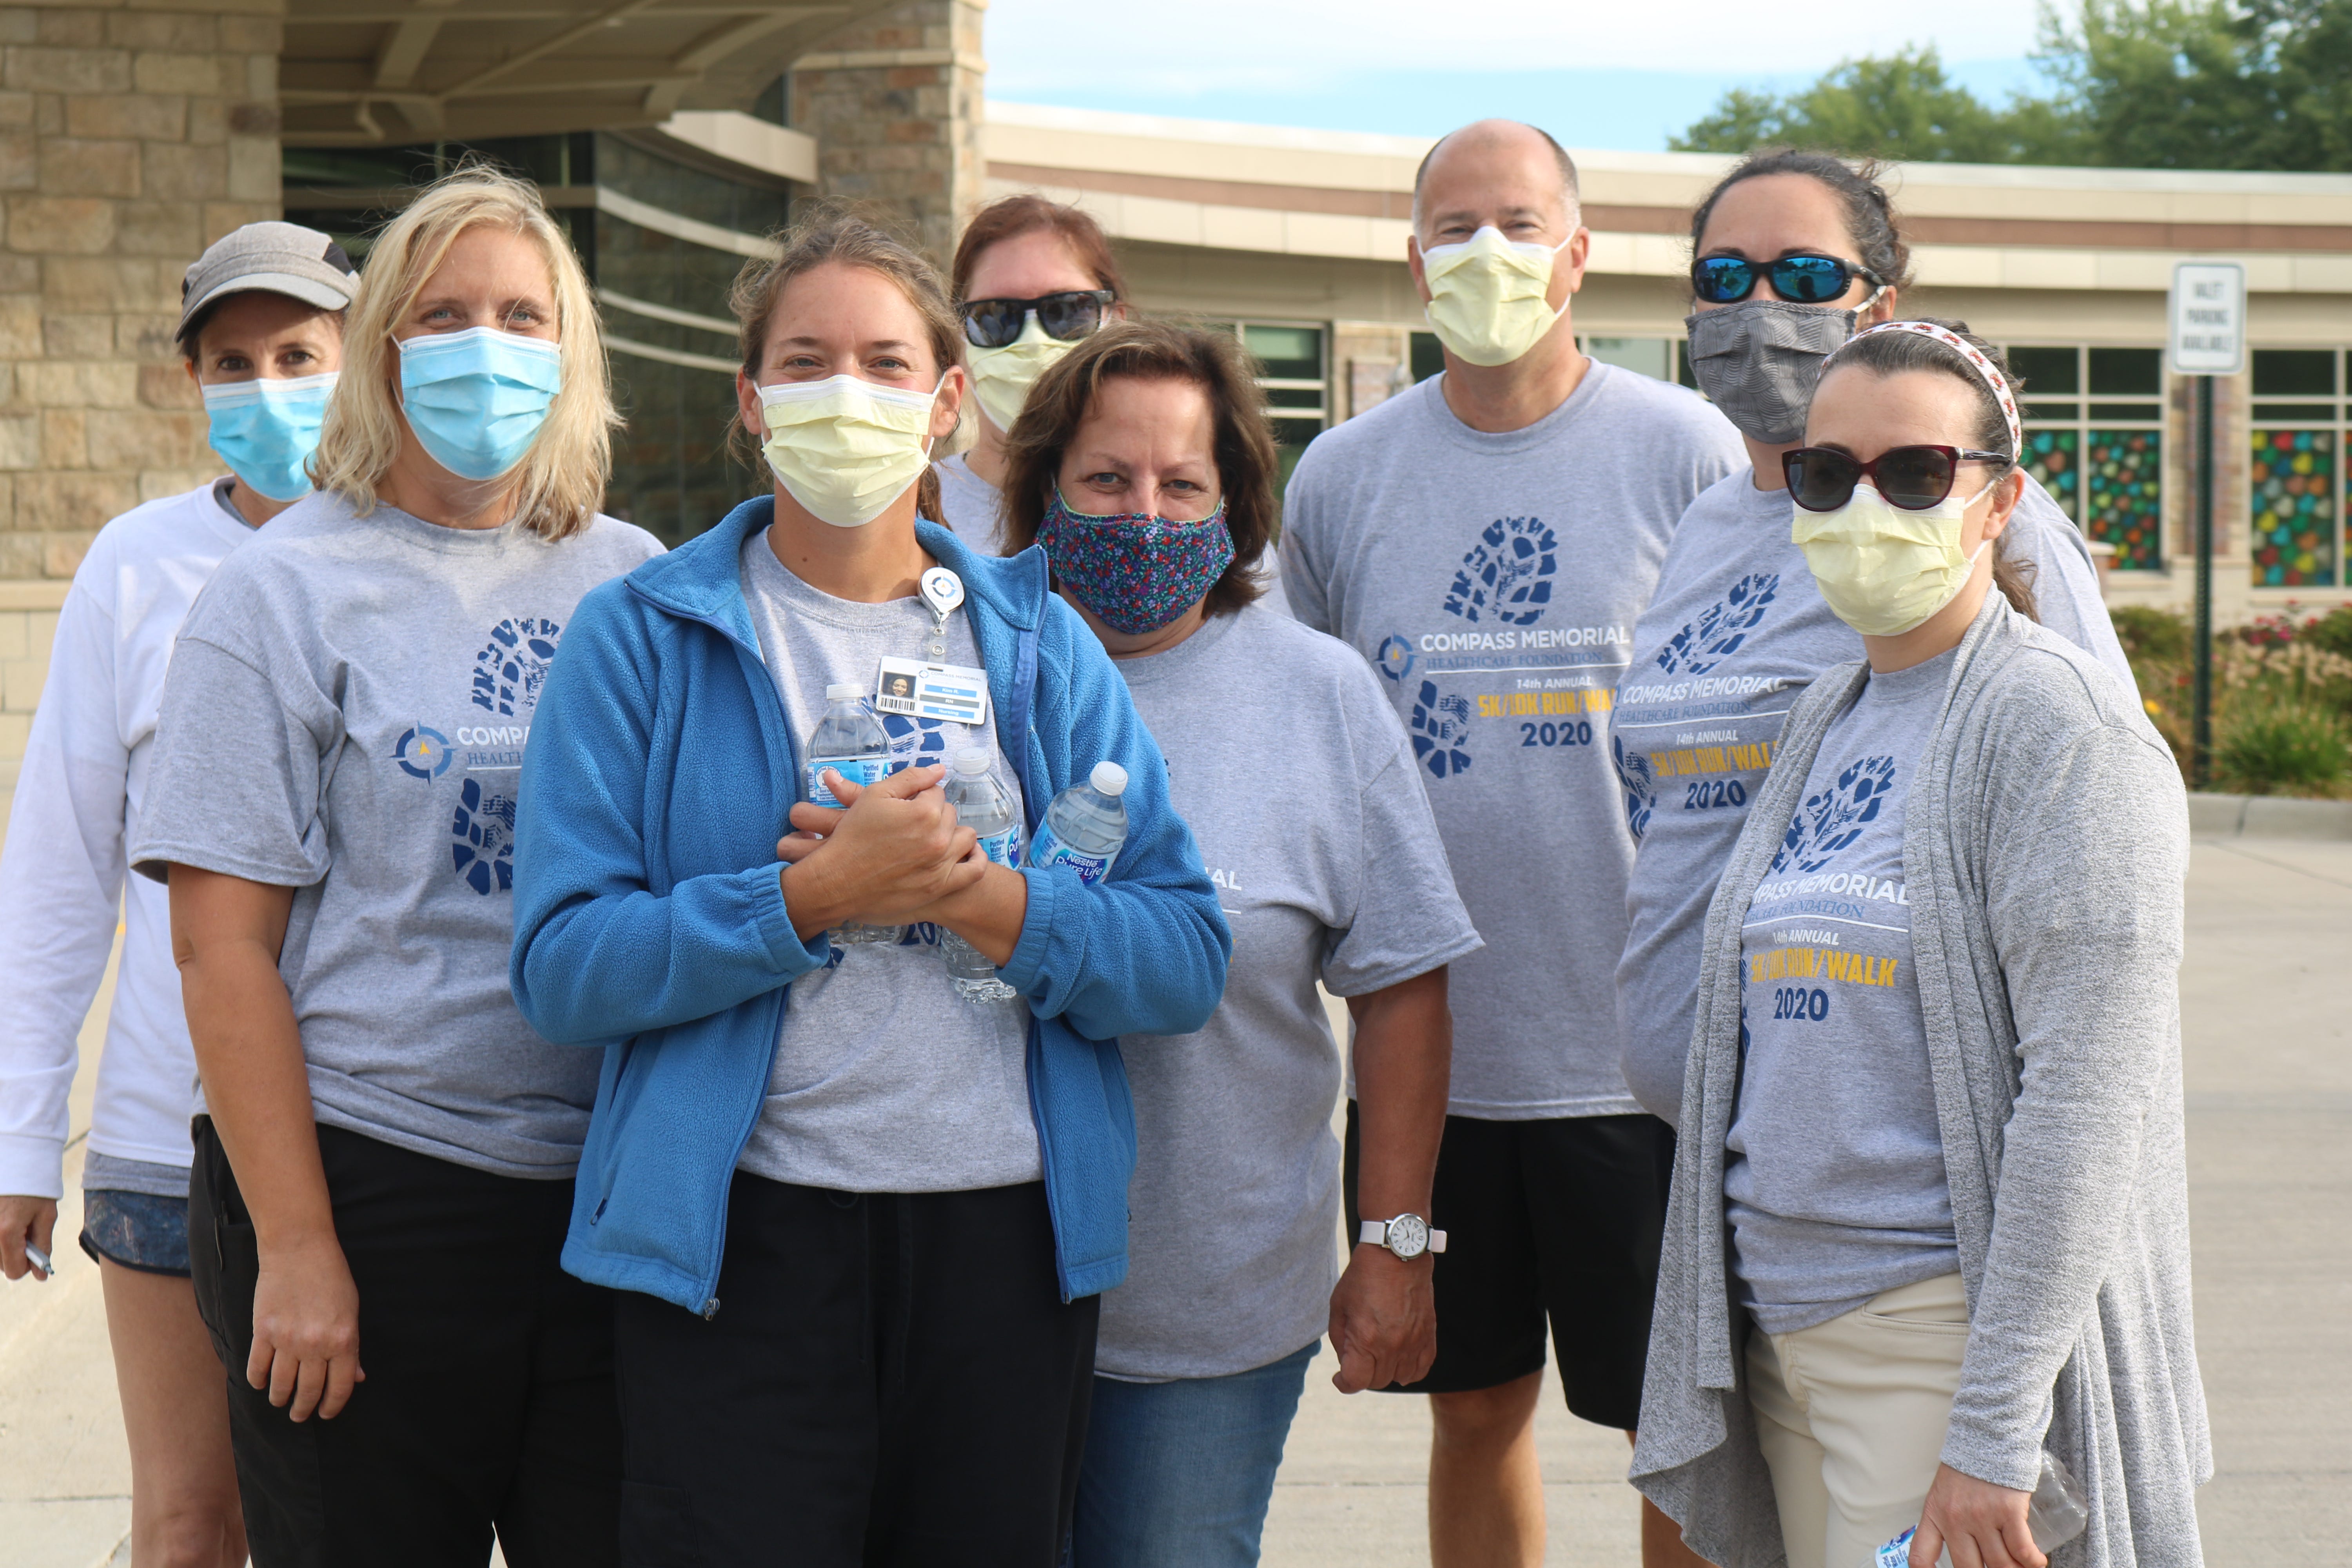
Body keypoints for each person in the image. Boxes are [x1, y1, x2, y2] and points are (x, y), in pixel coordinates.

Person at [507, 211, 1229, 1566]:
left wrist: (982, 900)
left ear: (950, 403)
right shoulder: (644, 634)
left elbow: (1183, 955)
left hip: (1004, 1254)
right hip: (739, 1250)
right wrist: (803, 904)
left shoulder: (1039, 646)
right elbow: (563, 967)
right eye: (807, 358)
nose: (849, 391)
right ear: (752, 402)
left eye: (889, 362)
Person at [127, 167, 662, 1567]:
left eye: (520, 314)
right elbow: (219, 946)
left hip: (602, 1198)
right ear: (379, 349)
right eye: (442, 314)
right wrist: (299, 1248)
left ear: (570, 348)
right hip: (372, 1181)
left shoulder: (637, 580)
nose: (486, 346)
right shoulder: (283, 589)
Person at [1632, 319, 2207, 1568]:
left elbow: (2084, 1100)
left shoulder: (2056, 730)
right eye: (1825, 473)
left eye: (1913, 472)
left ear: (1997, 502)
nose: (1862, 503)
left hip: (1932, 1347)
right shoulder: (1825, 717)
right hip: (1779, 1332)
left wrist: (1993, 1432)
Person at [1279, 119, 1743, 1567]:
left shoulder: (1686, 454)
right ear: (1413, 256)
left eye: (1521, 223)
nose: (1488, 252)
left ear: (1580, 255)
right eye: (1456, 224)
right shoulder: (1341, 480)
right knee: (1470, 1410)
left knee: (1675, 1441)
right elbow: (1302, 741)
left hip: (1641, 1060)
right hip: (1435, 1063)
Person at [993, 319, 1482, 1566]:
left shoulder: (1317, 696)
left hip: (1204, 1309)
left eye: (1180, 483)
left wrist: (1392, 1244)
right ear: (1045, 485)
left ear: (1235, 500)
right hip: (965, 1294)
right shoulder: (962, 668)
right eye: (1104, 480)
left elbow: (1401, 990)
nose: (1142, 514)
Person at [1613, 149, 2142, 1135]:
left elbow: (2102, 813)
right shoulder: (1703, 524)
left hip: (1879, 1159)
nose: (1760, 306)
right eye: (1724, 278)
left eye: (1806, 276)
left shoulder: (1966, 519)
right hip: (1707, 1151)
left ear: (1876, 303)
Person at [0, 220, 356, 1568]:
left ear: (356, 357)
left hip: (381, 1134)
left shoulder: (407, 554)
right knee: (191, 1526)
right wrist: (23, 1140)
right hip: (165, 1142)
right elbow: (57, 865)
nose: (267, 387)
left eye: (298, 354)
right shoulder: (134, 565)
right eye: (233, 360)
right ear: (194, 380)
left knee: (347, 1524)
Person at [938, 194, 1128, 549]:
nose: (1032, 341)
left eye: (1067, 311)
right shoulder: (907, 512)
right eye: (995, 316)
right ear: (959, 340)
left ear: (1117, 324)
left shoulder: (1165, 516)